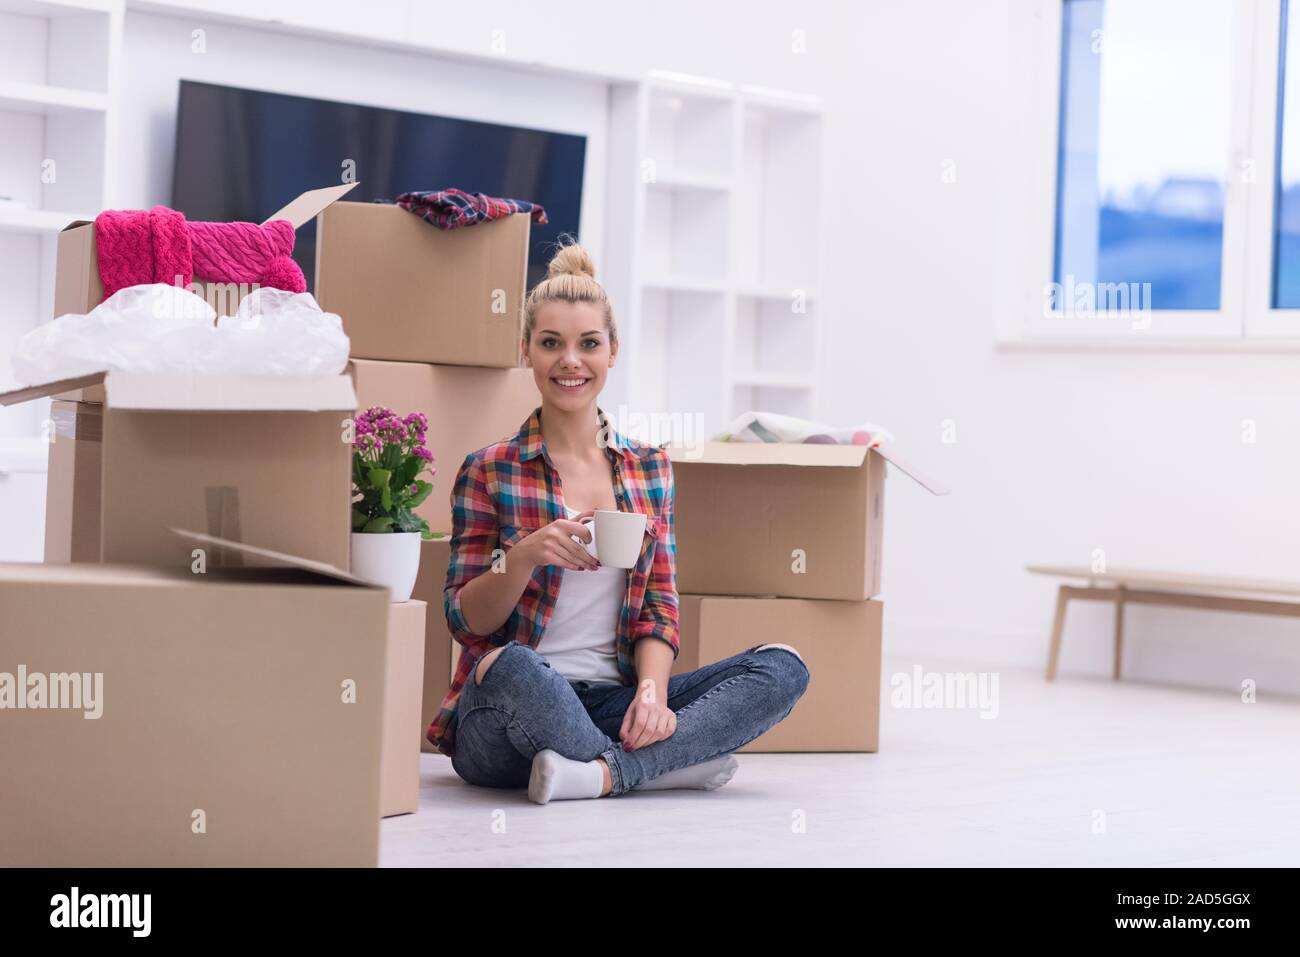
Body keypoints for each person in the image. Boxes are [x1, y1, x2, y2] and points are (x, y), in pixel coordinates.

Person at [426, 239, 810, 804]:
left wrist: (651, 694)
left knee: (782, 667)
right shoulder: (489, 469)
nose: (570, 362)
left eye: (589, 344)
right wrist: (527, 554)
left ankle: (599, 774)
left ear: (613, 352)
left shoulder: (650, 468)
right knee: (511, 666)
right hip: (506, 717)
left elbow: (659, 605)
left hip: (613, 701)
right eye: (551, 343)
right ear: (526, 349)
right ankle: (660, 767)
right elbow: (464, 618)